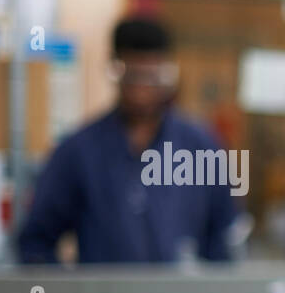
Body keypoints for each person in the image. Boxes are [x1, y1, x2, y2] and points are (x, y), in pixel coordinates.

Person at [17, 16, 238, 263]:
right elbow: (35, 242)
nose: (142, 89)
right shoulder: (78, 152)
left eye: (151, 75)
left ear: (167, 72)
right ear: (114, 70)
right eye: (133, 75)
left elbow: (225, 240)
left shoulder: (201, 148)